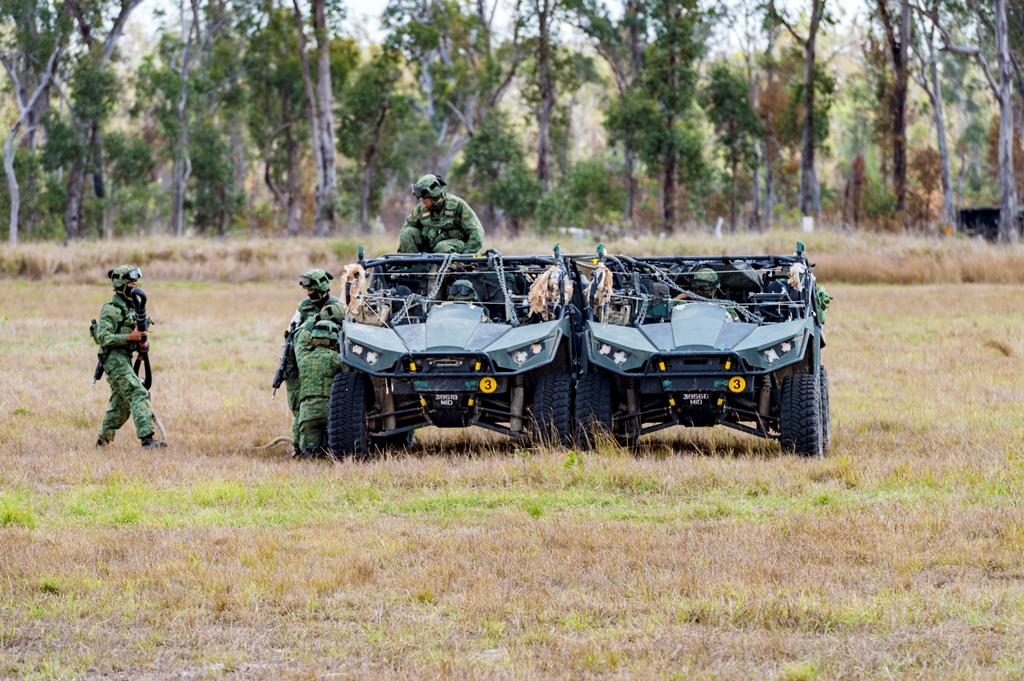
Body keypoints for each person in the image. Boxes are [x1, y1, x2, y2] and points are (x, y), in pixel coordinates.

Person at [92, 265, 161, 448]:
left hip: (126, 358)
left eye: (136, 281)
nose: (135, 284)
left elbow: (140, 330)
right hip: (113, 359)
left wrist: (140, 346)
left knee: (121, 407)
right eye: (131, 282)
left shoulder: (133, 306)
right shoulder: (111, 308)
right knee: (138, 392)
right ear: (121, 283)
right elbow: (103, 338)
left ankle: (102, 442)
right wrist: (129, 337)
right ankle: (147, 440)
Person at [283, 270, 338, 457]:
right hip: (302, 360)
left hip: (328, 361)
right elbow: (290, 332)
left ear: (321, 289)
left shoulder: (336, 308)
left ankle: (328, 443)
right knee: (299, 401)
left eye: (312, 290)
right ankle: (301, 445)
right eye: (307, 290)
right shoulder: (304, 307)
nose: (308, 294)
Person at [398, 174, 484, 255]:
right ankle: (416, 268)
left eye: (425, 198)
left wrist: (465, 256)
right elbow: (407, 227)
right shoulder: (421, 208)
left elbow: (476, 233)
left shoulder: (458, 205)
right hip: (429, 247)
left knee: (442, 248)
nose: (422, 201)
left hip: (453, 248)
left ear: (434, 196)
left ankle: (448, 270)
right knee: (408, 233)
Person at [296, 320, 345, 458]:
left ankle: (311, 453)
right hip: (329, 411)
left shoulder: (304, 360)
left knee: (311, 452)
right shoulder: (335, 359)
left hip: (306, 414)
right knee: (335, 450)